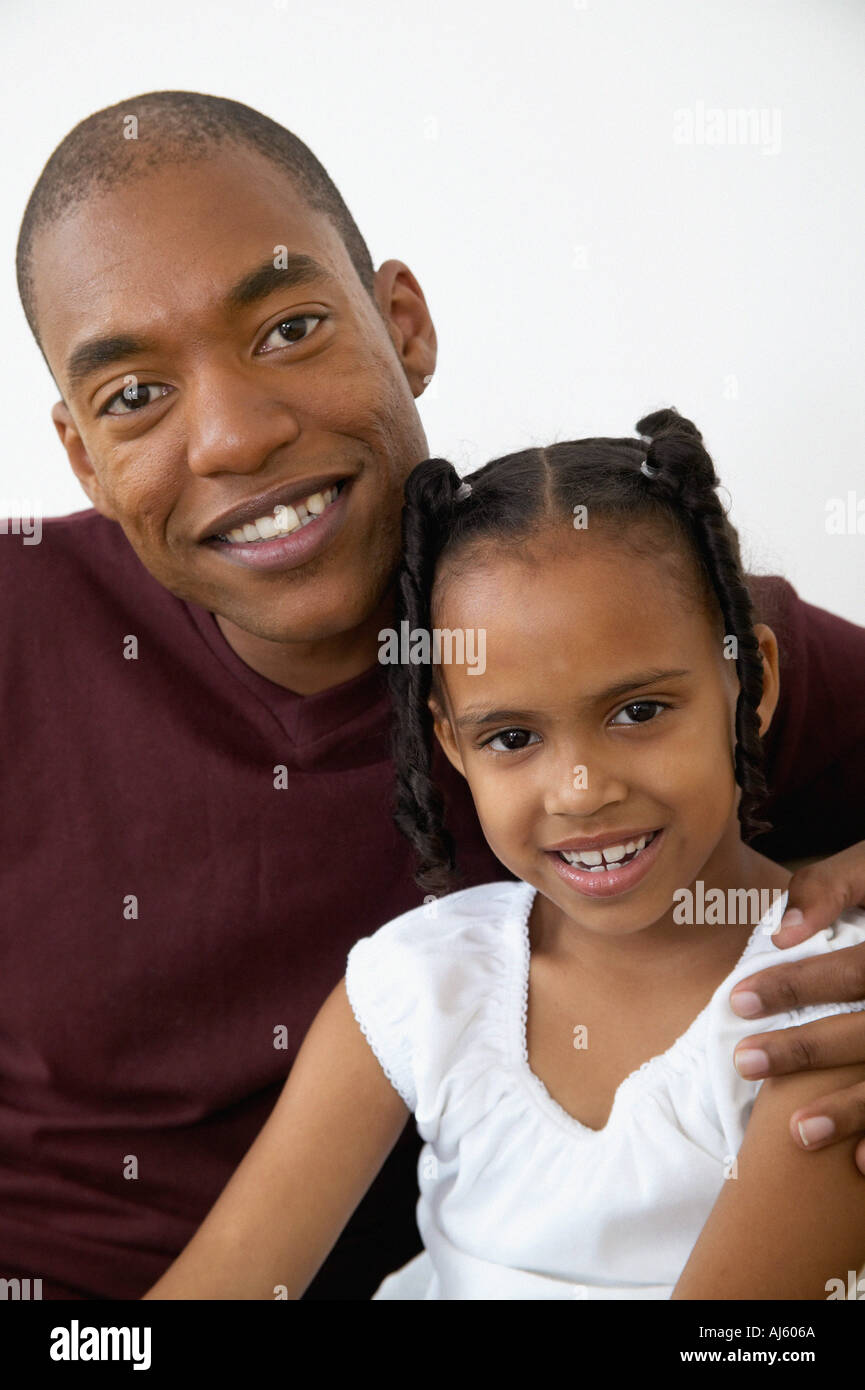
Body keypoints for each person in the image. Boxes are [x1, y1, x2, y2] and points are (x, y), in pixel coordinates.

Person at [4, 90, 865, 1302]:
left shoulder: (664, 626)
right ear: (84, 457)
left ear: (401, 323)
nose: (235, 437)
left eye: (290, 326)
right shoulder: (20, 623)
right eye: (134, 396)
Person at [141, 409, 865, 1300]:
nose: (580, 788)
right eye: (512, 735)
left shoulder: (830, 1005)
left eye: (638, 711)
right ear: (449, 744)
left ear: (748, 686)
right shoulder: (424, 978)